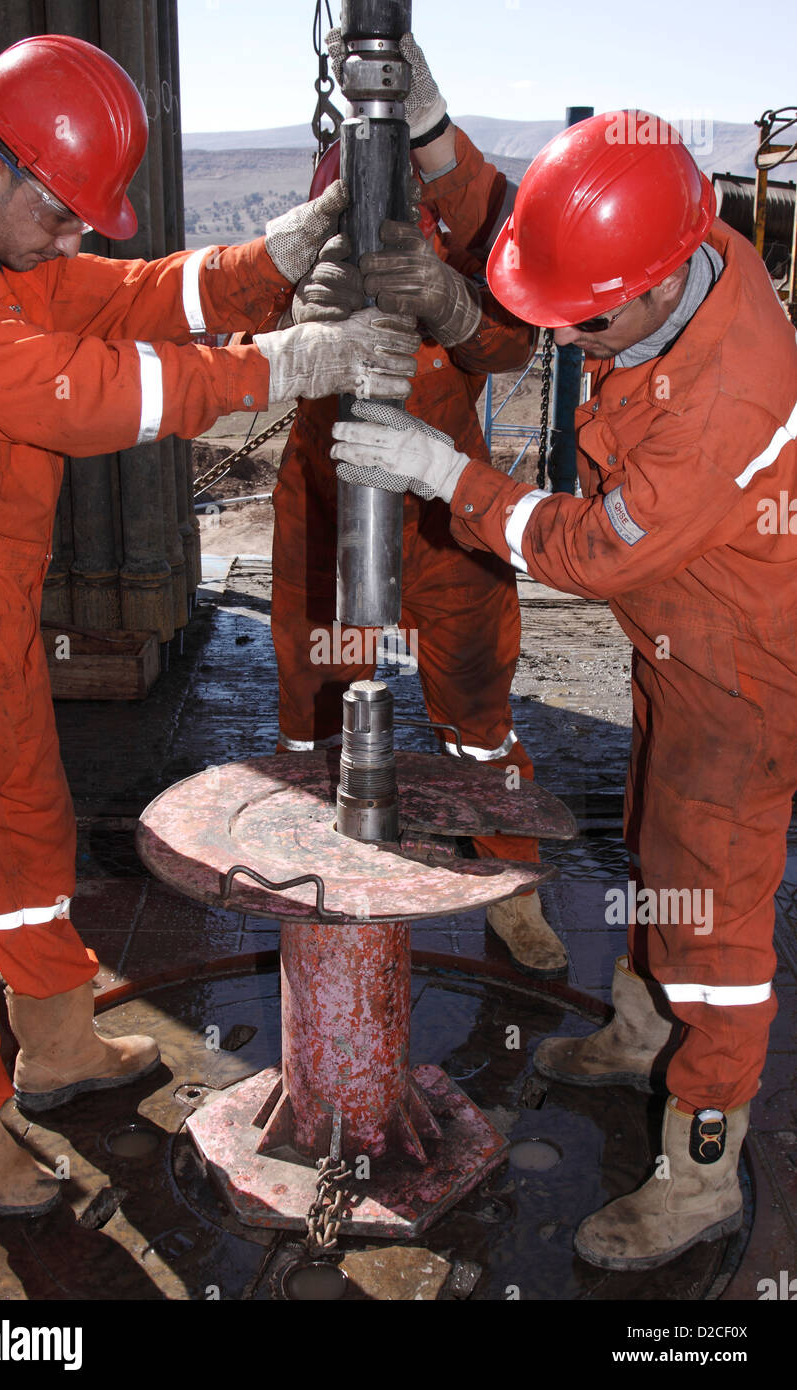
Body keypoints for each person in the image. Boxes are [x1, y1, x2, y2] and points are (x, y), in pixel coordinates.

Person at [0, 33, 418, 1219]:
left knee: (29, 843)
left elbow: (140, 296)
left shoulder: (11, 253)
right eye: (61, 211)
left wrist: (278, 258)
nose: (77, 237)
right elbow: (85, 390)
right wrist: (283, 364)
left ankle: (53, 1045)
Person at [330, 109, 797, 1270]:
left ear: (645, 291)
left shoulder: (722, 399)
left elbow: (590, 551)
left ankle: (697, 1174)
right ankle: (641, 1028)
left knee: (714, 928)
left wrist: (446, 474)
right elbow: (528, 237)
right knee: (653, 844)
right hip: (680, 643)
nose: (568, 342)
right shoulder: (676, 243)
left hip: (740, 680)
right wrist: (430, 132)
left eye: (585, 323)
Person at [273, 30, 566, 974]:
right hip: (326, 506)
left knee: (478, 711)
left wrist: (451, 304)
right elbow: (232, 339)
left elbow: (515, 346)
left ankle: (507, 884)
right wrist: (294, 319)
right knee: (314, 701)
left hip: (445, 505)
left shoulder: (465, 238)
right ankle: (314, 875)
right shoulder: (310, 256)